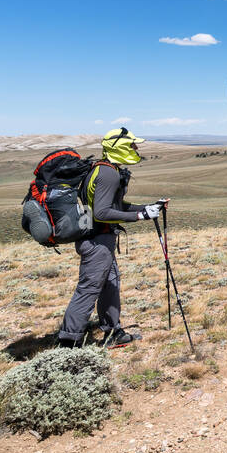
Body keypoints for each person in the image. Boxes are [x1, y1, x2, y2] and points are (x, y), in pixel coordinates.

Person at [57, 127, 164, 348]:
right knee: (89, 289)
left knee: (110, 285)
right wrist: (140, 215)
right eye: (132, 145)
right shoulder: (109, 173)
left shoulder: (101, 169)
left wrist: (148, 208)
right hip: (97, 242)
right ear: (120, 148)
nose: (135, 148)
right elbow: (102, 212)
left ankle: (113, 332)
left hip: (97, 239)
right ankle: (68, 342)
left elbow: (114, 206)